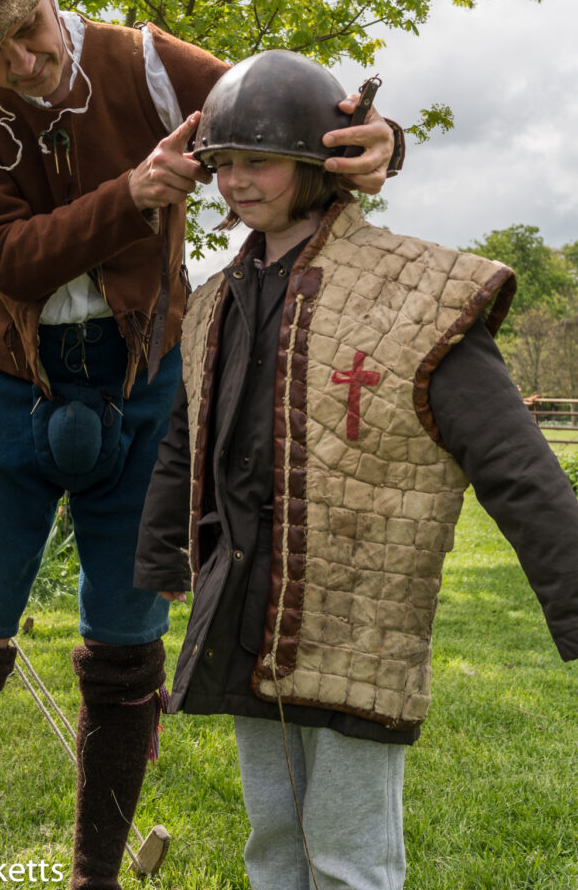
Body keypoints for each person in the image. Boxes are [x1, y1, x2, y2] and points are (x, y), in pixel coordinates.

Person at [0, 0, 401, 890]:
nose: (20, 63)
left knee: (126, 652)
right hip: (8, 392)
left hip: (144, 388)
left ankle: (95, 882)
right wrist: (128, 195)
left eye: (26, 33)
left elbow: (296, 127)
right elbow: (1, 259)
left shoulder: (150, 66)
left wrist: (372, 142)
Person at [134, 50, 578, 890]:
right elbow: (182, 438)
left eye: (256, 160)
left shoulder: (419, 294)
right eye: (221, 164)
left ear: (319, 164)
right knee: (272, 844)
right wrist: (162, 556)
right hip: (245, 611)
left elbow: (512, 461)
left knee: (347, 858)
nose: (234, 182)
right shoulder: (215, 297)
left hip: (355, 617)